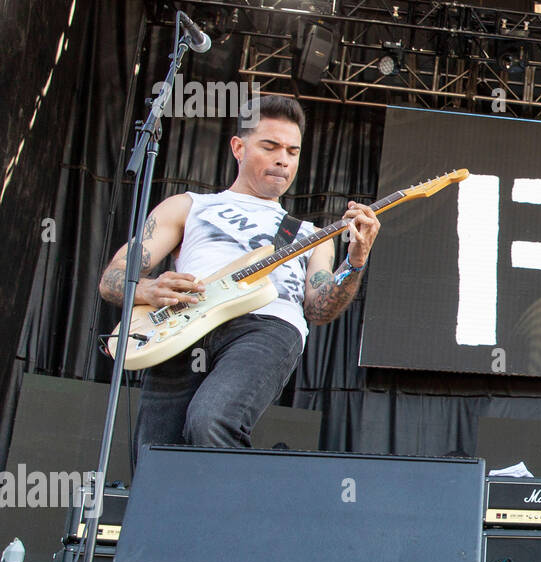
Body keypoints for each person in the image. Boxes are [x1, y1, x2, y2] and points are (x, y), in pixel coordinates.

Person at [98, 95, 380, 466]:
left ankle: (235, 521)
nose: (284, 159)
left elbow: (319, 306)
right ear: (238, 146)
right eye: (270, 146)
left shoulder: (310, 234)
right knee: (155, 458)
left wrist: (355, 262)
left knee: (212, 419)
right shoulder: (189, 206)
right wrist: (147, 288)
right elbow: (114, 276)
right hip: (184, 326)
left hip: (267, 327)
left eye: (293, 151)